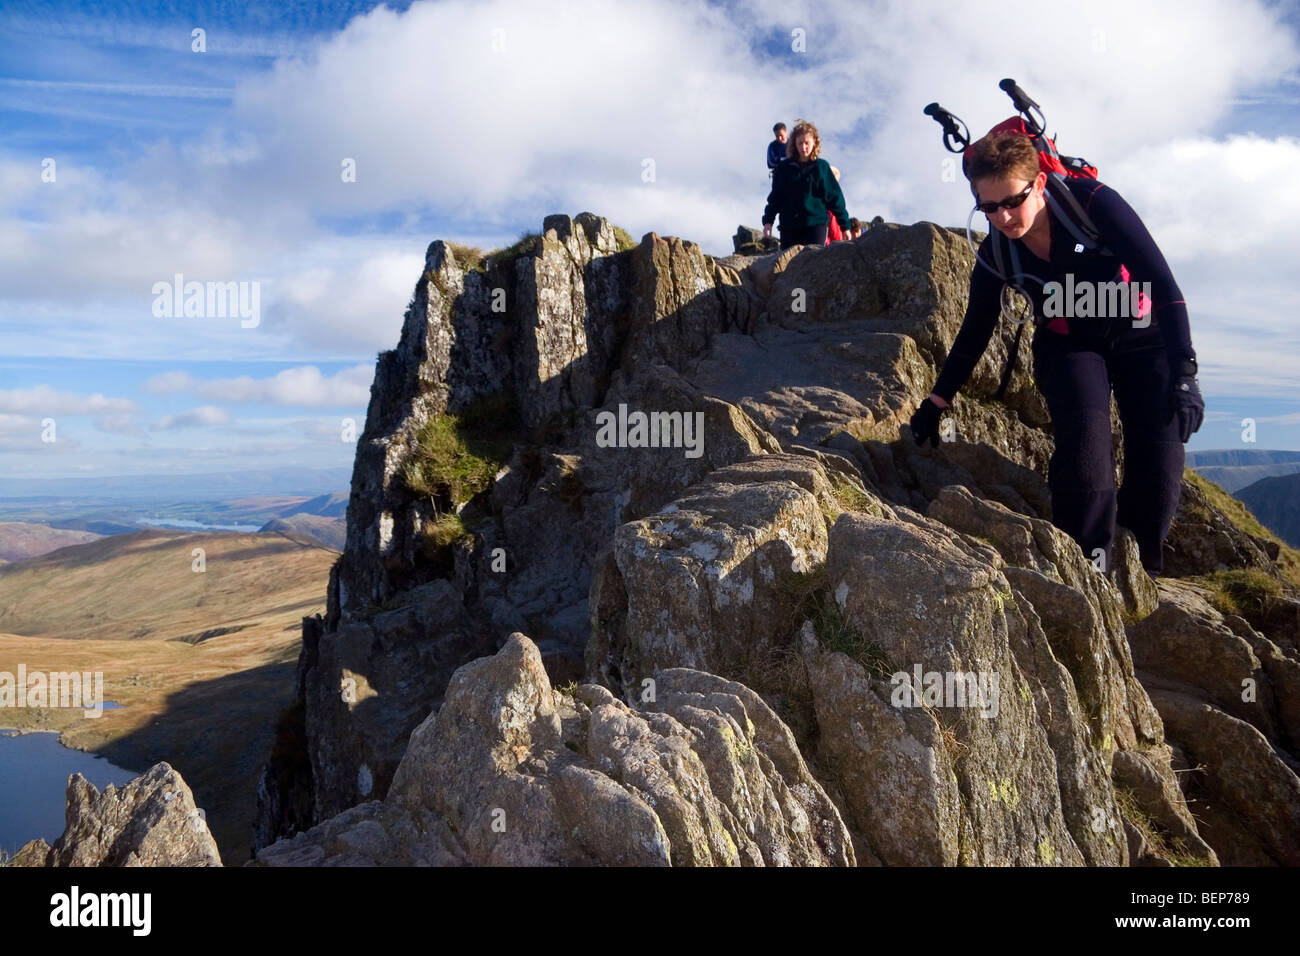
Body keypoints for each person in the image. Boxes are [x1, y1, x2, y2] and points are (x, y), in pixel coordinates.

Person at [909, 131, 1204, 579]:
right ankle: (1088, 580)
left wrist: (1185, 371)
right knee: (1086, 456)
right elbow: (976, 329)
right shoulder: (997, 251)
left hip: (1144, 334)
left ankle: (1144, 574)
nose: (1003, 217)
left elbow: (1163, 283)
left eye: (1012, 200)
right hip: (1071, 342)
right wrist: (938, 400)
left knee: (1161, 466)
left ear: (1040, 182)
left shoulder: (1093, 203)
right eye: (987, 207)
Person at [762, 119, 851, 250]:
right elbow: (776, 197)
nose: (803, 147)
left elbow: (835, 198)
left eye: (806, 143)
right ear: (794, 144)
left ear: (814, 142)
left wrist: (845, 226)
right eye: (800, 143)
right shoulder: (783, 168)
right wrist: (768, 221)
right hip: (789, 225)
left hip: (816, 224)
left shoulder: (822, 167)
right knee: (790, 266)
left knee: (815, 265)